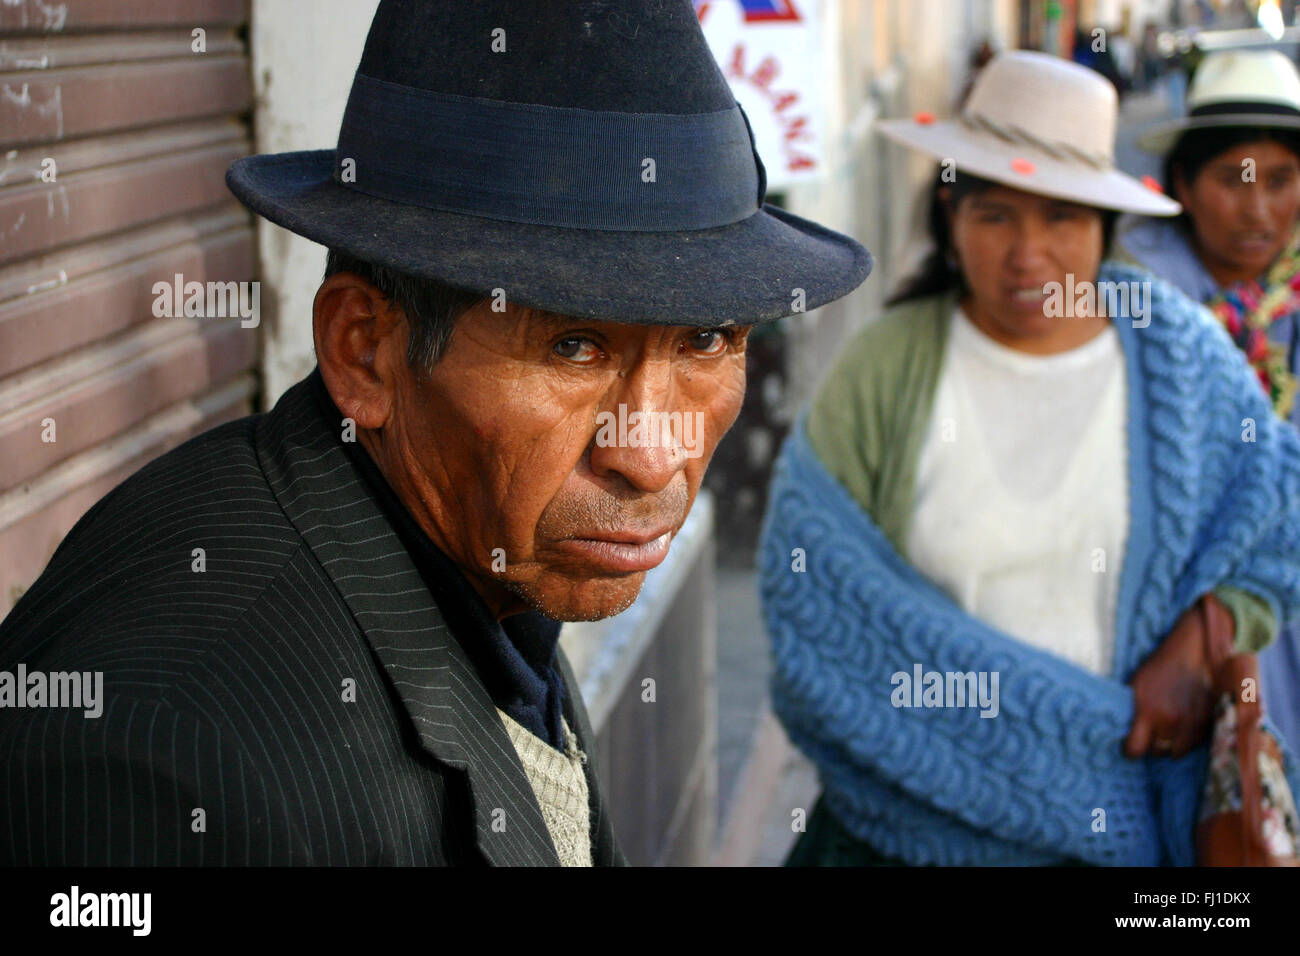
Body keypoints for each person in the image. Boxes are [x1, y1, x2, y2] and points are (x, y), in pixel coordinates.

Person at [0, 0, 871, 866]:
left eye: (707, 340)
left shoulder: (482, 563)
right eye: (573, 346)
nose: (652, 457)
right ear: (365, 352)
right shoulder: (171, 754)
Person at [760, 50, 1300, 866]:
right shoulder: (885, 370)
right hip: (898, 833)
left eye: (1062, 217)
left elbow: (1277, 517)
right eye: (995, 215)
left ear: (1105, 228)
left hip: (1123, 836)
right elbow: (810, 603)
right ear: (951, 216)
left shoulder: (1181, 359)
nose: (1028, 254)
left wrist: (1205, 632)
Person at [1119, 48, 1300, 767]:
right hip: (1167, 631)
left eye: (1282, 181)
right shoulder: (1138, 303)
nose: (1258, 209)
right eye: (1233, 181)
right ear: (1186, 187)